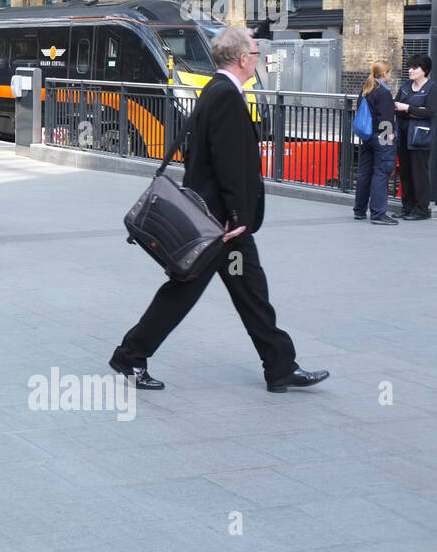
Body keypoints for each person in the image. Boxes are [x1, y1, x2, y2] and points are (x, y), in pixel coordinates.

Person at [110, 26, 329, 394]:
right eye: (256, 54)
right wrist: (238, 219)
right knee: (184, 292)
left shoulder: (215, 89)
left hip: (219, 223)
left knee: (251, 294)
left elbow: (199, 154)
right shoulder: (227, 95)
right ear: (243, 59)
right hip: (222, 227)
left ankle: (279, 367)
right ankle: (130, 355)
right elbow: (228, 163)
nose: (258, 60)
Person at [353, 61, 399, 225]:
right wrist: (390, 136)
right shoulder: (383, 93)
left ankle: (359, 210)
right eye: (389, 72)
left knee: (365, 172)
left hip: (367, 137)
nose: (390, 75)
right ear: (385, 74)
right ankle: (378, 214)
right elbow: (385, 119)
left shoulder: (366, 90)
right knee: (382, 172)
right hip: (382, 137)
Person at [393, 55, 433, 220]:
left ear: (424, 71)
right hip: (403, 134)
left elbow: (430, 112)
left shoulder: (432, 88)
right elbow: (395, 105)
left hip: (420, 136)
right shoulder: (406, 86)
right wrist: (415, 110)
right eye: (409, 67)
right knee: (405, 172)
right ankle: (407, 207)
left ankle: (422, 209)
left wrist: (408, 108)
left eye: (414, 68)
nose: (410, 70)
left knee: (419, 173)